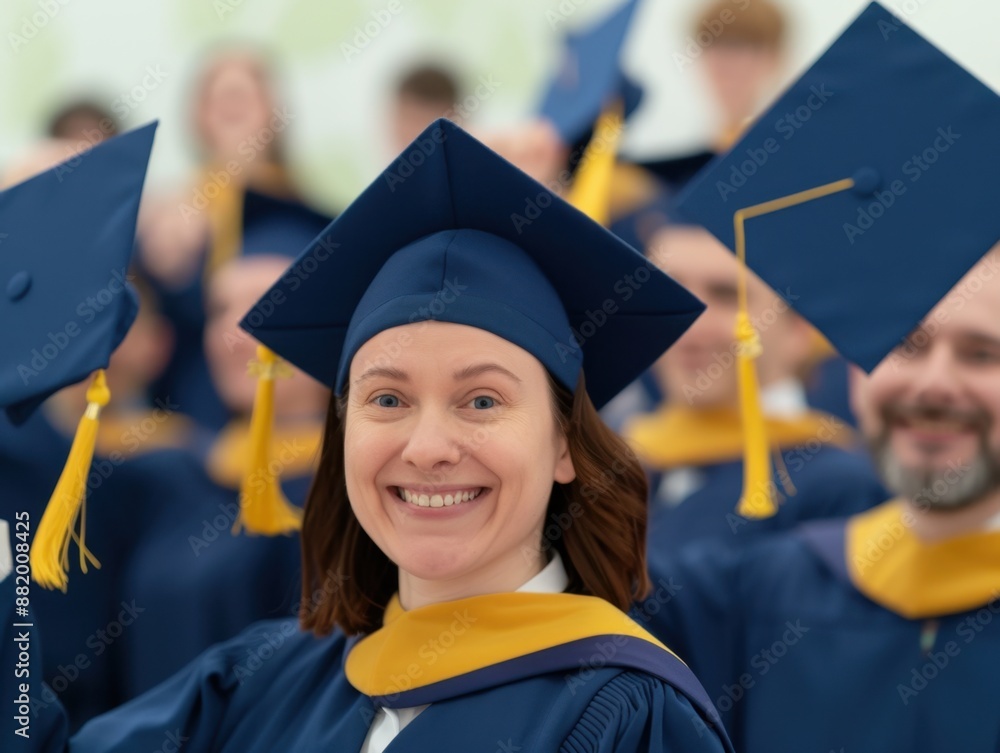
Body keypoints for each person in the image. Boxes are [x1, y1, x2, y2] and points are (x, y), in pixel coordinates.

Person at [6, 118, 734, 752]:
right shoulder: (260, 681)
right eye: (387, 398)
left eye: (481, 400)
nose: (427, 446)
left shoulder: (628, 715)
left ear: (565, 445)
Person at [641, 4, 1000, 750]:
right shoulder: (756, 595)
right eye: (907, 346)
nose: (934, 383)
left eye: (981, 354)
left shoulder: (819, 489)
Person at [624, 223, 886, 553]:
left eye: (726, 295)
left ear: (800, 328)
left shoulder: (839, 489)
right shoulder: (621, 461)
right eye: (669, 291)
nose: (690, 328)